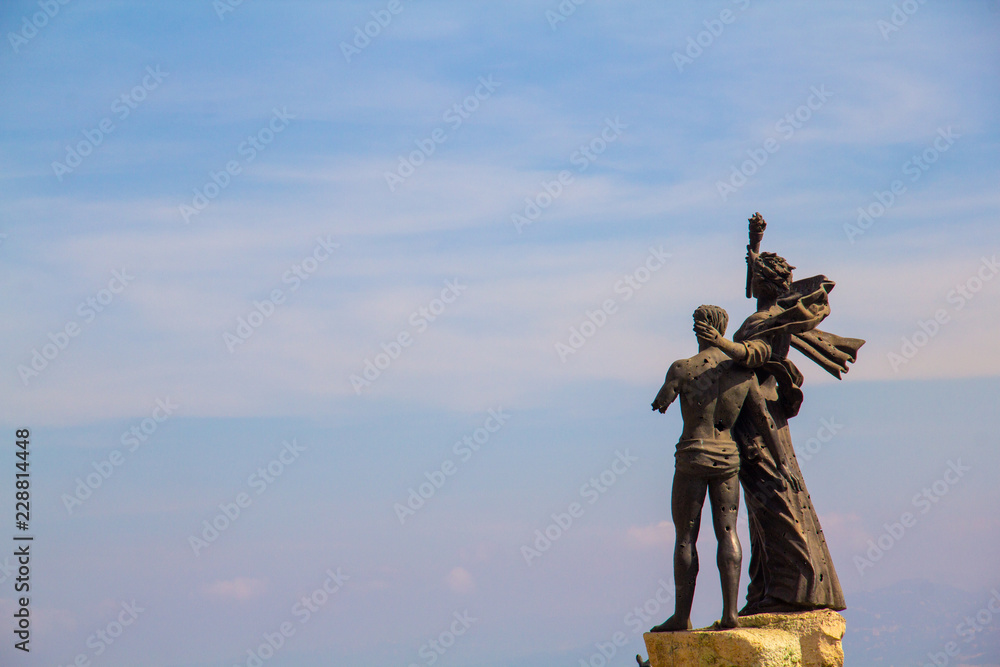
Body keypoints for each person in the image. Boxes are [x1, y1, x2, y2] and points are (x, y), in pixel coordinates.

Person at [694, 251, 863, 615]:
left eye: (754, 275)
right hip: (755, 415)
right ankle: (768, 588)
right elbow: (751, 297)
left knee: (775, 501)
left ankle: (794, 588)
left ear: (763, 283)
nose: (749, 282)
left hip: (760, 421)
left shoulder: (768, 321)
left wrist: (716, 340)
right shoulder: (768, 314)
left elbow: (751, 355)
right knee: (760, 510)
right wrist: (755, 244)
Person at [650, 305, 796, 631]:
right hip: (727, 458)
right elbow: (764, 421)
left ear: (701, 328)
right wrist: (782, 463)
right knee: (727, 533)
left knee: (686, 538)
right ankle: (730, 615)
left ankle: (681, 617)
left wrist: (667, 393)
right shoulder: (743, 375)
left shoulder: (682, 368)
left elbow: (661, 401)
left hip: (692, 456)